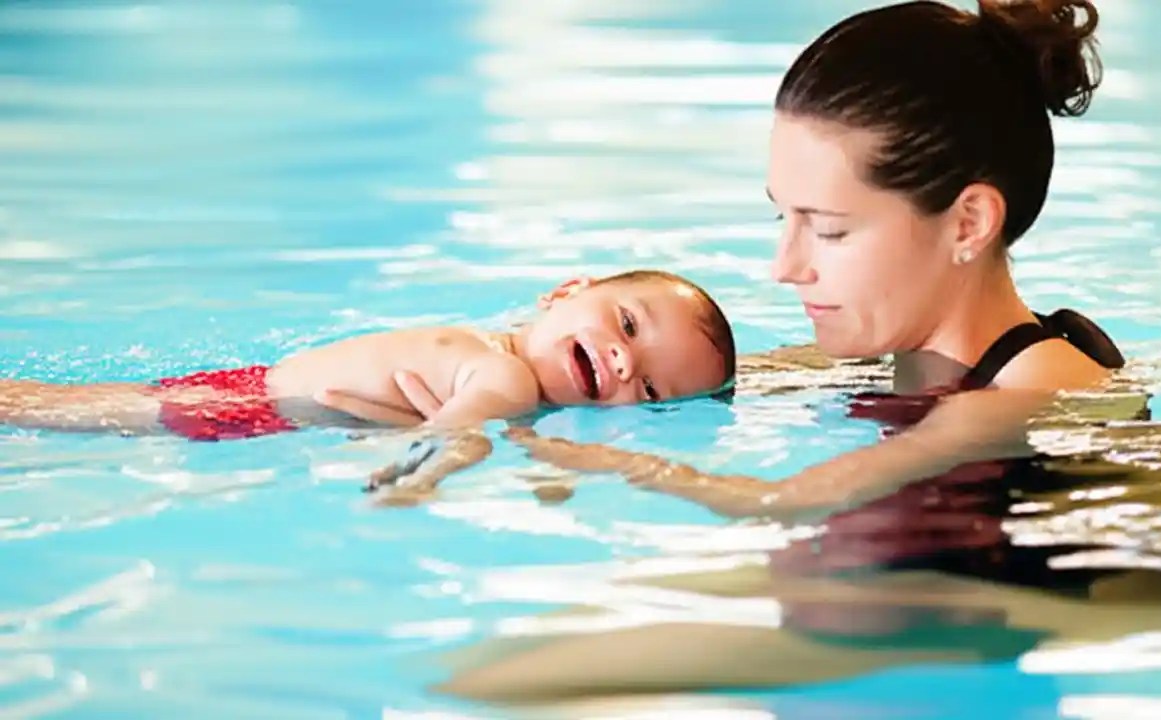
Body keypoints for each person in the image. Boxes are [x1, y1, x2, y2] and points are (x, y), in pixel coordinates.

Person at [315, 0, 1161, 704]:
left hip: (1058, 606)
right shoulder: (894, 348)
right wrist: (472, 377)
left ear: (967, 222)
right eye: (781, 218)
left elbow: (783, 500)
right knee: (476, 666)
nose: (783, 267)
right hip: (905, 575)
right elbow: (707, 389)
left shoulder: (1034, 383)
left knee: (491, 689)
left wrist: (576, 456)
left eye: (828, 229)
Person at [0, 270, 736, 445]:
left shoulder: (491, 343)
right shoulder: (505, 376)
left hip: (243, 394)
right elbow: (455, 438)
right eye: (629, 324)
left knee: (44, 405)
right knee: (37, 414)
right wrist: (410, 475)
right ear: (563, 291)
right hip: (239, 411)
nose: (619, 361)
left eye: (646, 388)